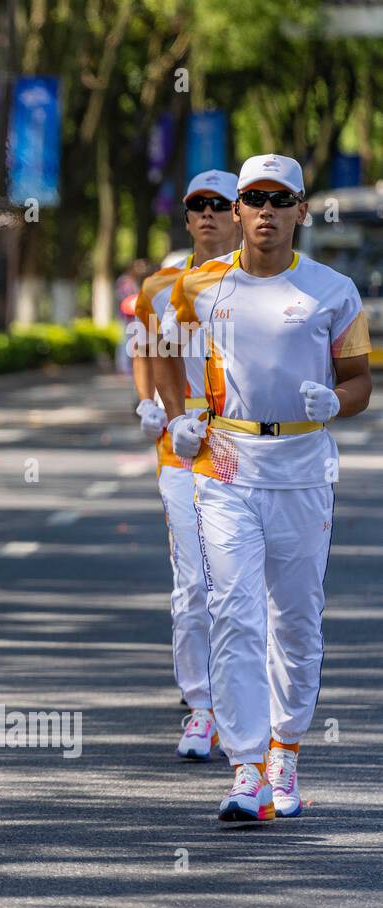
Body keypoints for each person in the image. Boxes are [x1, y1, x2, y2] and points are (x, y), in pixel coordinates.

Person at [155, 154, 372, 824]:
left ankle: (285, 753)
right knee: (234, 611)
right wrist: (179, 417)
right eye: (254, 198)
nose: (267, 211)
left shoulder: (336, 291)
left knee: (296, 619)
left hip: (303, 465)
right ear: (239, 208)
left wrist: (335, 402)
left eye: (282, 199)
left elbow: (360, 379)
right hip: (226, 461)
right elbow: (162, 348)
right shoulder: (201, 287)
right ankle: (246, 766)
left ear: (302, 210)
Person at [129, 169, 241, 760]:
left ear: (240, 212)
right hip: (183, 447)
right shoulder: (159, 288)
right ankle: (201, 708)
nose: (207, 215)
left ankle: (243, 701)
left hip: (250, 449)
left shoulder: (262, 286)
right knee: (194, 583)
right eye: (197, 205)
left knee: (243, 587)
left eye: (219, 205)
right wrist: (152, 408)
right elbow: (148, 356)